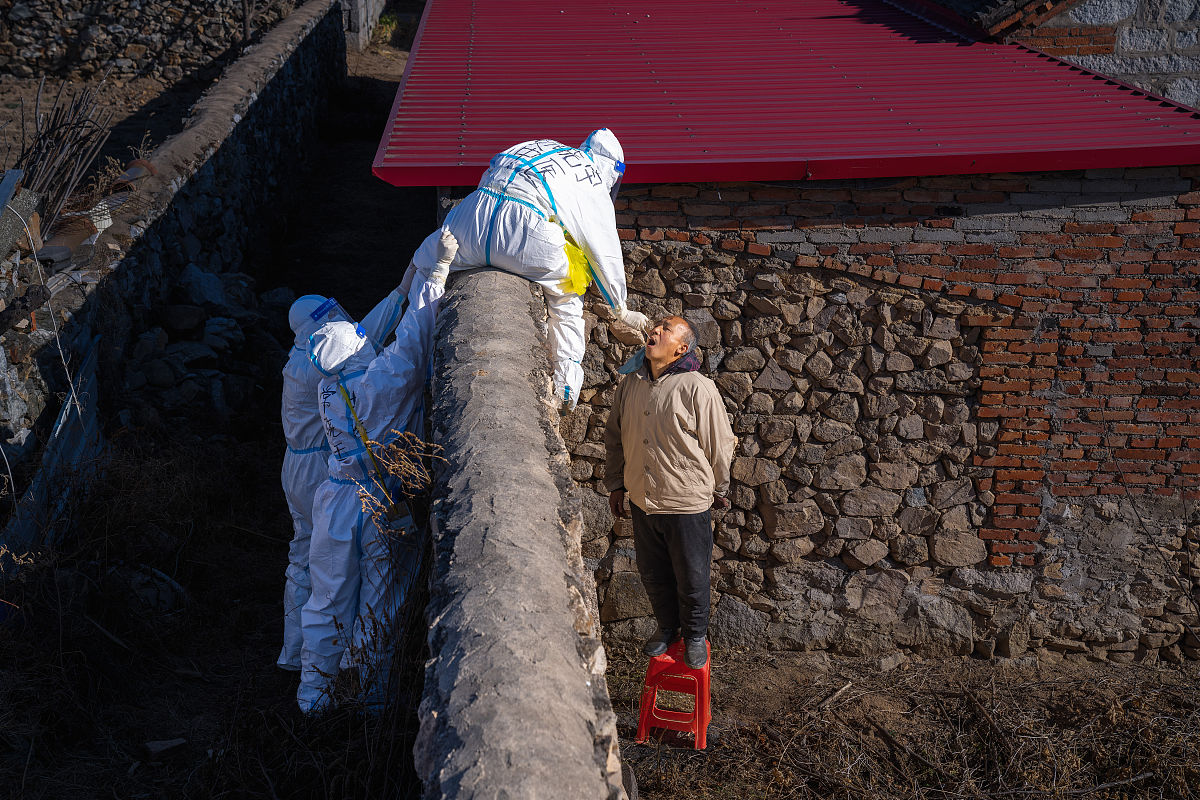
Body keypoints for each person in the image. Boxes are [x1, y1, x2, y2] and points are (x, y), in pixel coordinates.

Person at [296, 231, 457, 713]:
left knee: (326, 600)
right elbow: (415, 334)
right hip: (378, 502)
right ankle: (370, 699)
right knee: (379, 602)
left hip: (334, 498)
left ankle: (313, 698)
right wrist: (434, 273)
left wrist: (404, 283)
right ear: (358, 353)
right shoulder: (381, 385)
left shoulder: (328, 388)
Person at [399, 129, 650, 409]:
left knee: (427, 260)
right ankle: (566, 388)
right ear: (612, 170)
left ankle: (401, 339)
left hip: (473, 216)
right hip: (522, 234)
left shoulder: (541, 144)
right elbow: (603, 248)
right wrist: (620, 307)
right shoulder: (590, 175)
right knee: (568, 290)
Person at [277, 284, 414, 672]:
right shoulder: (312, 367)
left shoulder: (301, 358)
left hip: (296, 467)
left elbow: (355, 335)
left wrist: (397, 294)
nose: (341, 321)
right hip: (319, 467)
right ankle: (329, 662)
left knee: (302, 555)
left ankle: (293, 653)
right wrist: (401, 295)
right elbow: (361, 339)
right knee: (325, 563)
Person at [603, 316, 736, 669]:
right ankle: (667, 628)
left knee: (691, 576)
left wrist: (720, 488)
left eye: (667, 328)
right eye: (656, 325)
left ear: (680, 349)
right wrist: (616, 482)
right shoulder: (631, 383)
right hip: (642, 499)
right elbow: (615, 436)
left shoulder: (697, 387)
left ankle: (694, 636)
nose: (656, 329)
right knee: (653, 573)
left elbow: (719, 445)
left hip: (686, 501)